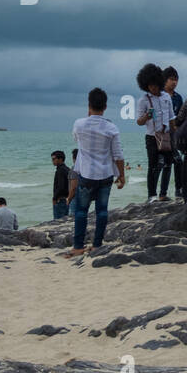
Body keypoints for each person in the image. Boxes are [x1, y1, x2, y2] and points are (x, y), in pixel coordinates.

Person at [67, 88, 126, 258]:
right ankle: (97, 244)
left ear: (89, 105)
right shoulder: (112, 128)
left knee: (81, 211)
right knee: (102, 211)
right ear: (105, 106)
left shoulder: (79, 124)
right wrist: (121, 175)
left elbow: (76, 139)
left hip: (86, 174)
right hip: (106, 174)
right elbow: (118, 155)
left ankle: (78, 246)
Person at [136, 63, 175, 202]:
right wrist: (147, 116)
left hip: (166, 135)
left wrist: (175, 134)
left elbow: (171, 117)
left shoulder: (166, 97)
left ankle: (163, 193)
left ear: (159, 82)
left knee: (167, 165)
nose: (152, 87)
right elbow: (139, 122)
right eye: (149, 85)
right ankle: (151, 195)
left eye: (154, 84)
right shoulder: (143, 100)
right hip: (152, 137)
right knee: (153, 167)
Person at [164, 66, 185, 197]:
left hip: (175, 134)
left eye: (176, 79)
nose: (174, 82)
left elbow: (181, 117)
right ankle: (159, 193)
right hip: (162, 134)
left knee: (178, 161)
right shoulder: (158, 96)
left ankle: (179, 190)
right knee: (163, 164)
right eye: (171, 79)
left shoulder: (178, 97)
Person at [51, 151, 71, 219]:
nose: (52, 161)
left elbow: (61, 187)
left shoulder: (60, 171)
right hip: (66, 198)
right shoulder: (67, 169)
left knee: (58, 221)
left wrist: (54, 198)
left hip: (60, 200)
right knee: (64, 219)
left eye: (54, 159)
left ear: (60, 159)